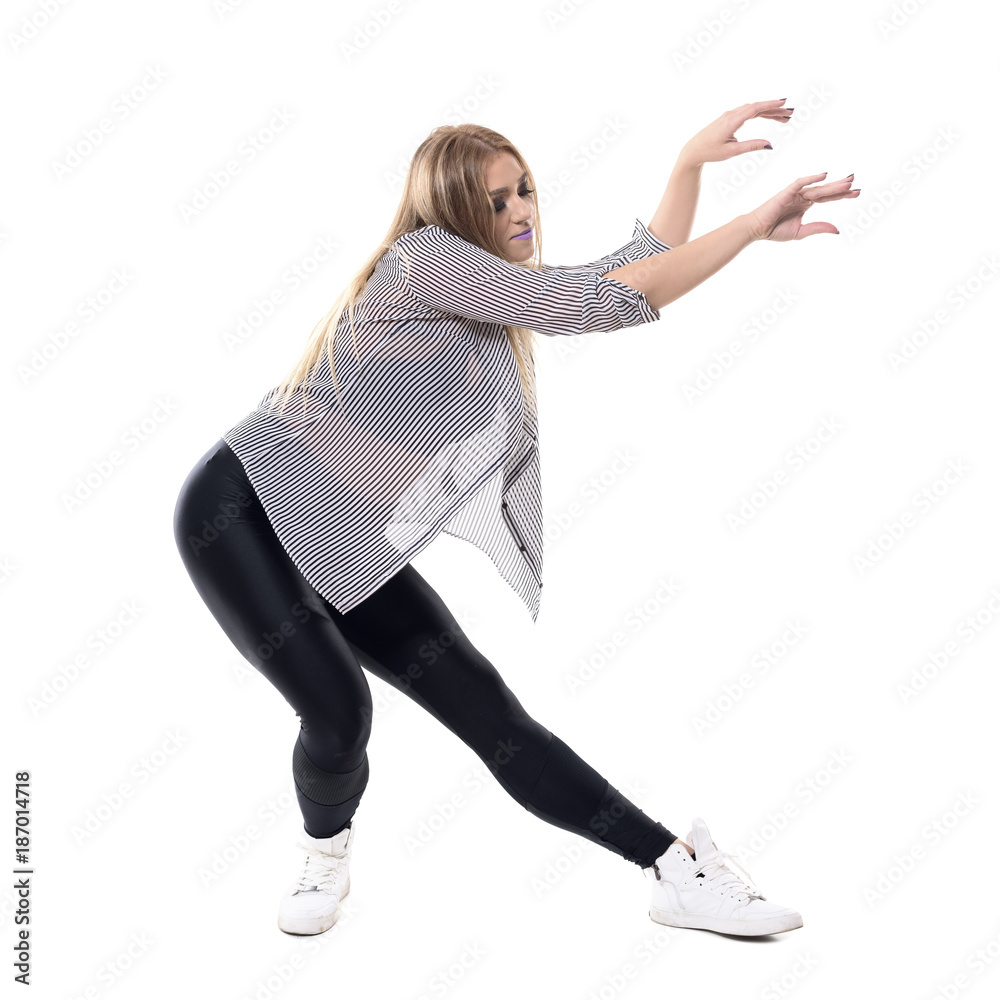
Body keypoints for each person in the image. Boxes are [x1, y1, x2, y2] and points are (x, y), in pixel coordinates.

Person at [172, 98, 858, 939]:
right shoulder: (426, 261)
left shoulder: (494, 288)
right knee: (340, 712)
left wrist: (687, 166)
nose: (521, 210)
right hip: (242, 508)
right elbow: (609, 301)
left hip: (341, 531)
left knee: (490, 712)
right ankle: (324, 853)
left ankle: (674, 870)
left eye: (524, 189)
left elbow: (628, 273)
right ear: (455, 211)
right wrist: (750, 226)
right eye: (495, 201)